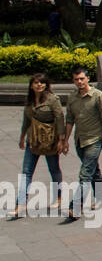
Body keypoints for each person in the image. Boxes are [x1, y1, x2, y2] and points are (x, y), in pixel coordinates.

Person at [60, 66, 102, 223]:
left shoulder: (98, 96)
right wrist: (65, 141)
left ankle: (75, 207)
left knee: (85, 174)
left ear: (88, 79)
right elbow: (69, 120)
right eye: (76, 79)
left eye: (82, 78)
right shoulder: (72, 98)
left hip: (94, 140)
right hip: (79, 140)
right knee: (93, 170)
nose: (79, 82)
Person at [10, 73, 66, 220]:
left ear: (46, 85)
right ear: (31, 86)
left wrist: (61, 139)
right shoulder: (29, 102)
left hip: (50, 141)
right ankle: (20, 204)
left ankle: (59, 198)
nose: (39, 85)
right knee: (26, 172)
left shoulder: (53, 100)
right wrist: (22, 137)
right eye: (36, 83)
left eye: (42, 83)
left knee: (54, 169)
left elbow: (60, 118)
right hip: (32, 141)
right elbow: (26, 121)